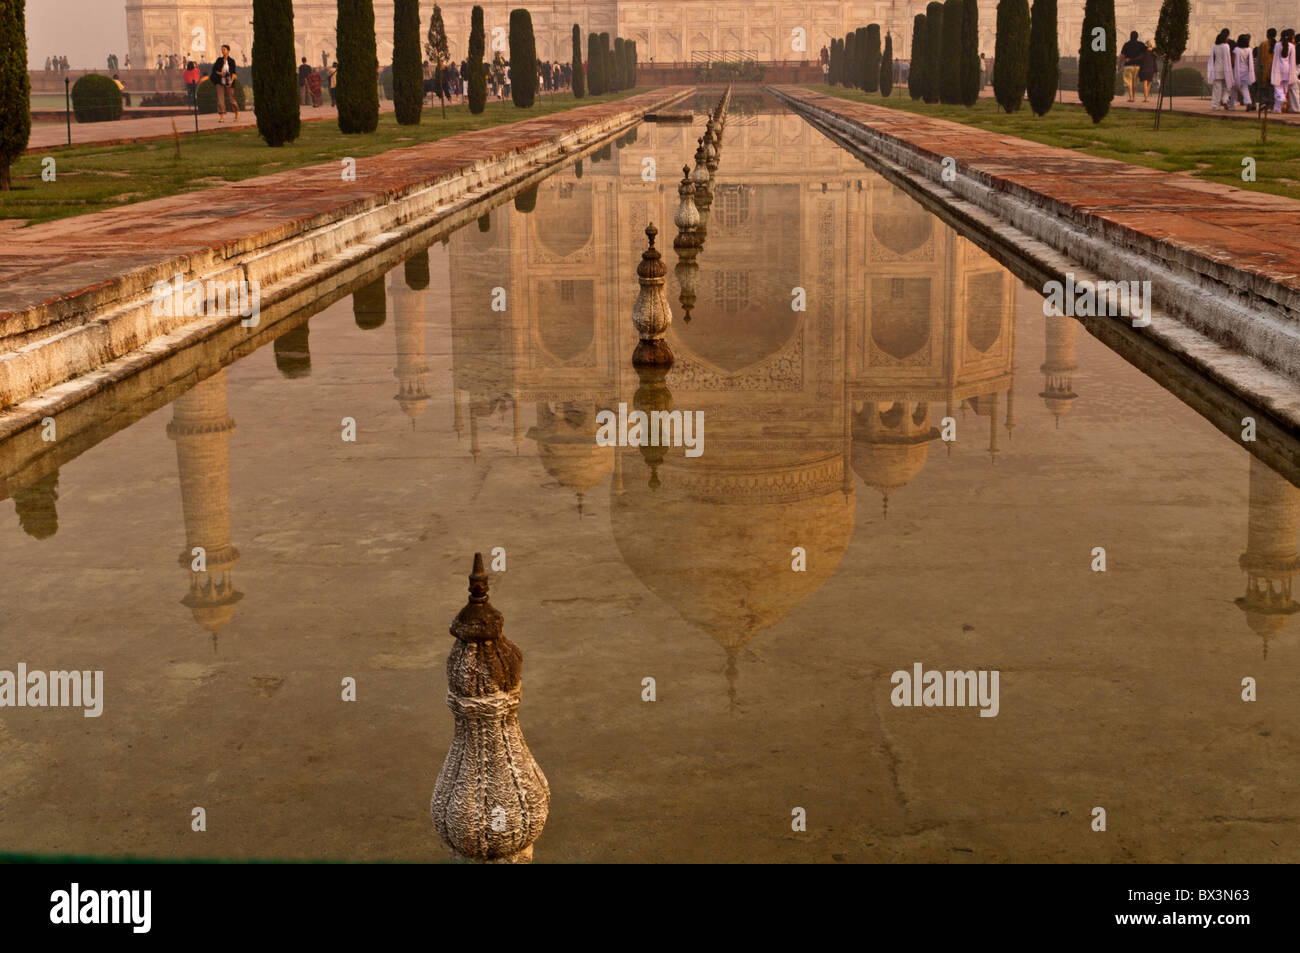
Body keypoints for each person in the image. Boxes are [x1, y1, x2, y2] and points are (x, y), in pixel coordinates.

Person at [210, 44, 239, 123]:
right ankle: (222, 117)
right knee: (220, 99)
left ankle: (236, 113)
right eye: (222, 49)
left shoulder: (231, 61)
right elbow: (215, 70)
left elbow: (233, 73)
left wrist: (231, 81)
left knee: (231, 99)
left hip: (229, 82)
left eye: (224, 49)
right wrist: (220, 73)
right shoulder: (219, 60)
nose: (223, 51)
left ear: (228, 51)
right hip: (220, 82)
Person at [1207, 29, 1232, 109]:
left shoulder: (1214, 47)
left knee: (1216, 89)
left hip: (1216, 69)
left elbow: (1212, 59)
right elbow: (1227, 59)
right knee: (1227, 87)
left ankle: (1215, 105)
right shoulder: (1226, 46)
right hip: (1225, 69)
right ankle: (1224, 100)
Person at [1230, 34, 1254, 109]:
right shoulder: (1249, 50)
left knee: (1234, 88)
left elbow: (1233, 61)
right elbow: (1249, 61)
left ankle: (1233, 105)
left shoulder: (1236, 50)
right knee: (1245, 87)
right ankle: (1248, 101)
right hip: (1245, 70)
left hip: (1237, 71)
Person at [1121, 30, 1146, 102]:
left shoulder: (1126, 44)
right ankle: (1133, 97)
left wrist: (1119, 65)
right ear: (1137, 37)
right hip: (1137, 66)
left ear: (1130, 36)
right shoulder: (1140, 44)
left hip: (1128, 66)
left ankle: (1131, 97)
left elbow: (1122, 56)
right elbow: (1144, 54)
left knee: (1129, 82)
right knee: (1134, 82)